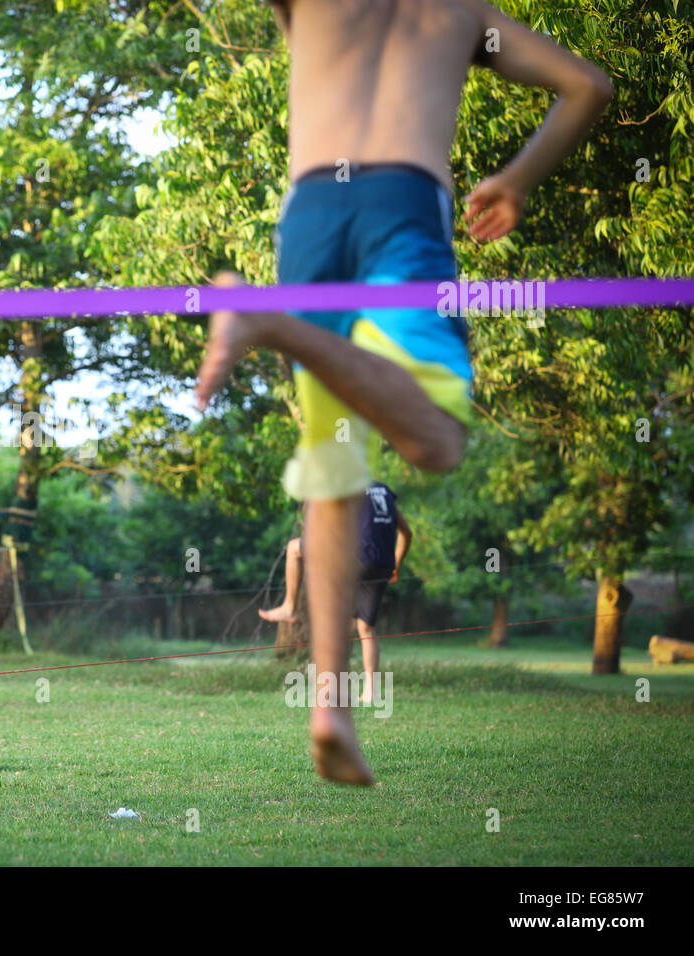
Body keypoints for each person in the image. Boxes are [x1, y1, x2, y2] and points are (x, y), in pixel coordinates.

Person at [194, 0, 611, 784]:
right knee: (436, 442)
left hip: (310, 212)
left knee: (334, 465)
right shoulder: (457, 13)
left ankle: (330, 709)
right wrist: (517, 179)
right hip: (403, 211)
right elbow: (588, 86)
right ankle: (272, 322)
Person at [261, 483, 413, 702]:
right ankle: (370, 692)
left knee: (295, 548)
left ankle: (289, 607)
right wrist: (396, 565)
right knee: (366, 629)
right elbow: (407, 533)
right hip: (382, 564)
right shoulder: (384, 491)